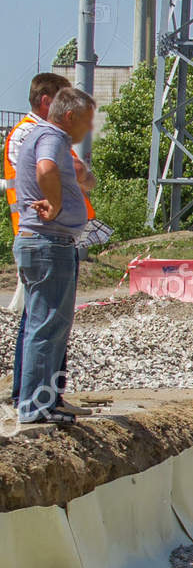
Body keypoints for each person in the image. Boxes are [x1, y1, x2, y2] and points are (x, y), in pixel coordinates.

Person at [5, 72, 95, 414]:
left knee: (46, 325)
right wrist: (57, 205)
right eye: (84, 121)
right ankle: (34, 404)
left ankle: (42, 401)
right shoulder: (47, 135)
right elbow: (48, 170)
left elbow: (83, 176)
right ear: (58, 108)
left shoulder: (44, 135)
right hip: (45, 240)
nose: (87, 130)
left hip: (45, 240)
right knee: (45, 327)